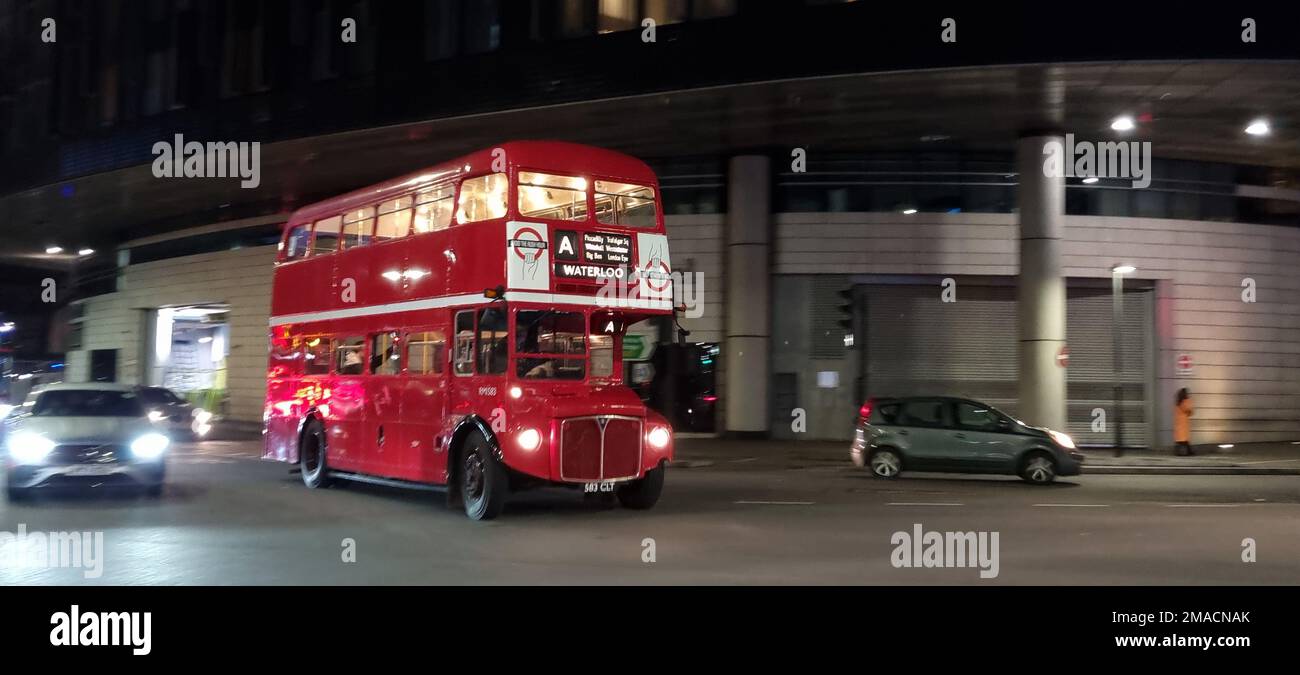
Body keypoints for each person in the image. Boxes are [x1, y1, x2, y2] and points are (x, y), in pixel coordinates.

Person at [1174, 388, 1194, 456]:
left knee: (1181, 439)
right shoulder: (1185, 401)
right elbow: (1189, 410)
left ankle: (1187, 451)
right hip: (1183, 421)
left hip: (1179, 421)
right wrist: (1189, 401)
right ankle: (1185, 452)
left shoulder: (1178, 402)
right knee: (1184, 439)